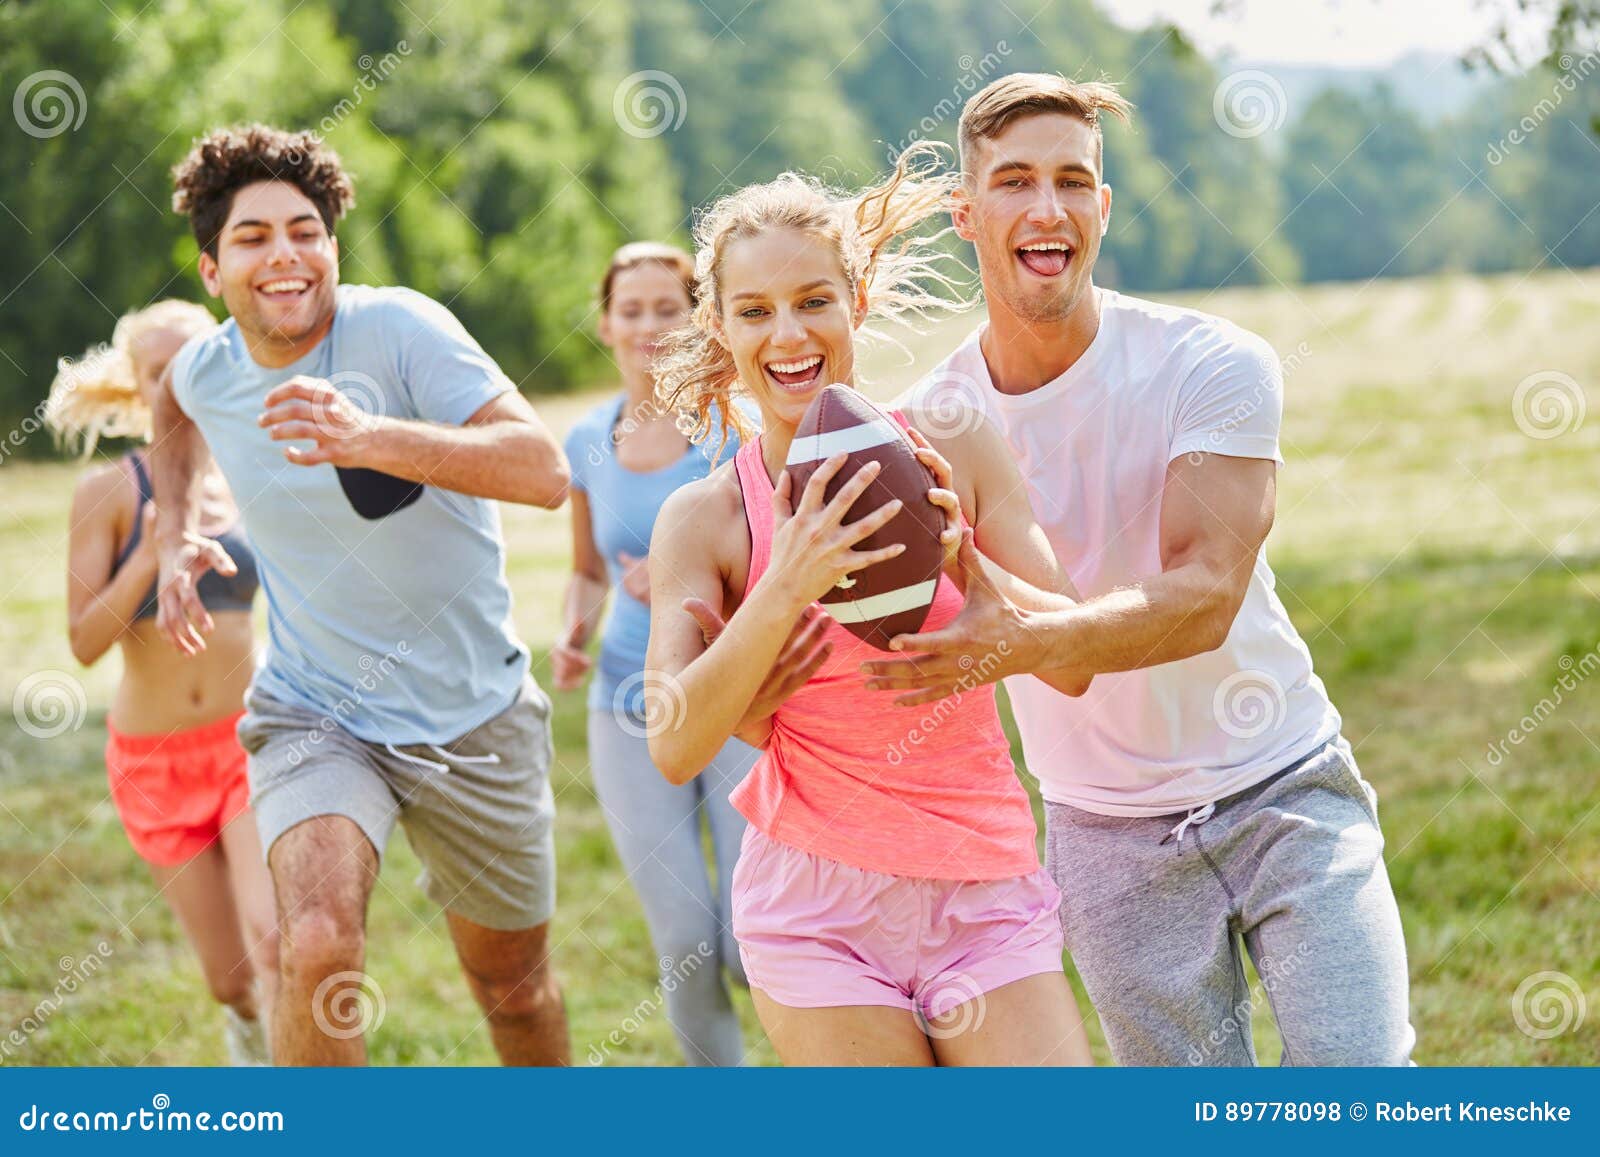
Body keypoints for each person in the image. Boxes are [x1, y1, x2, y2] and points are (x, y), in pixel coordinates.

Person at [869, 73, 1416, 1065]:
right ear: (966, 211)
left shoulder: (1210, 362)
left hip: (1281, 786)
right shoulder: (926, 426)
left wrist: (1029, 639)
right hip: (1104, 836)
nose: (1047, 208)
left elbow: (1203, 595)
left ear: (1102, 207)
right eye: (1014, 181)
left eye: (1073, 181)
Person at [643, 144, 1095, 1067]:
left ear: (856, 298)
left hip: (981, 883)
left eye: (814, 299)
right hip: (815, 911)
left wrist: (972, 570)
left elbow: (1075, 656)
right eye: (755, 311)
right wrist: (785, 584)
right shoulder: (706, 519)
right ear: (720, 328)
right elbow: (672, 740)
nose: (789, 335)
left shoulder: (953, 442)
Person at [151, 124, 573, 1066]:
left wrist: (371, 436)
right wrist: (175, 526)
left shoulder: (399, 328)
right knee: (315, 942)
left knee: (514, 992)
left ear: (333, 248)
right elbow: (171, 409)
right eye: (253, 237)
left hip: (476, 716)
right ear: (213, 271)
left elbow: (545, 471)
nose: (286, 254)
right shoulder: (208, 367)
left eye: (305, 230)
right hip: (316, 708)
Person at [47, 300, 275, 1066]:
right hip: (153, 763)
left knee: (272, 939)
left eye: (190, 366)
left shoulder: (248, 479)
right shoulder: (108, 493)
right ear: (139, 387)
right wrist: (151, 554)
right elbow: (82, 643)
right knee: (229, 978)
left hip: (247, 745)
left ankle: (300, 1098)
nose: (175, 385)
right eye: (158, 373)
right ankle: (245, 1028)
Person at [554, 242, 763, 1066]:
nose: (647, 326)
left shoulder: (733, 429)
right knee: (683, 941)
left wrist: (684, 571)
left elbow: (772, 566)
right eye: (630, 310)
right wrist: (574, 628)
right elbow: (584, 569)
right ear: (605, 323)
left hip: (733, 699)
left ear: (697, 320)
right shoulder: (586, 439)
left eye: (666, 308)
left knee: (751, 936)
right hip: (626, 704)